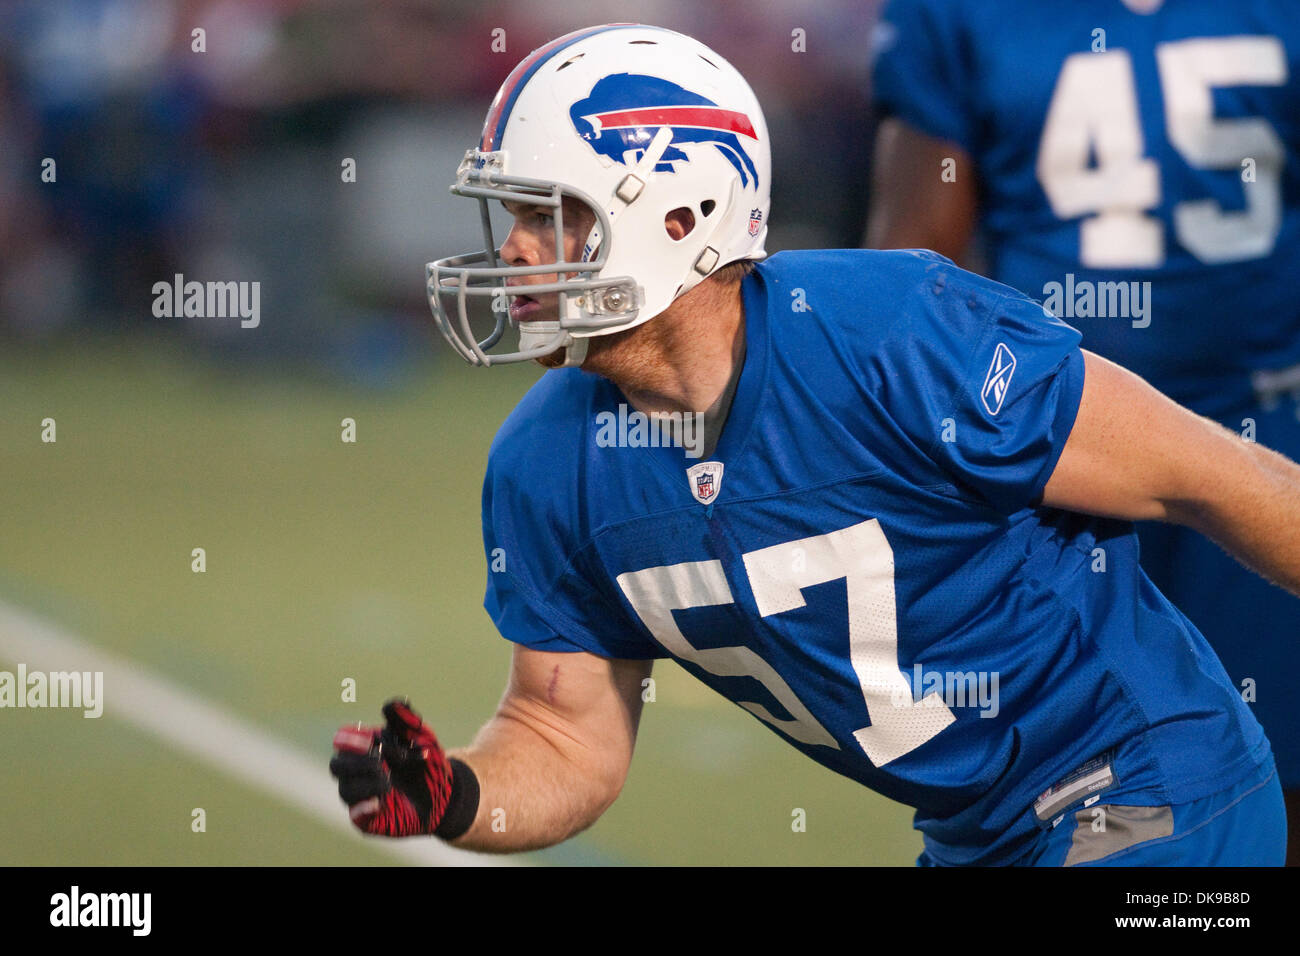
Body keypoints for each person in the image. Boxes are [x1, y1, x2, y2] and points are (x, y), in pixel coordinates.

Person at [329, 23, 1298, 866]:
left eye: (551, 212)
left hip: (1154, 780)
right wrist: (457, 793)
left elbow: (1213, 476)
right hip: (978, 835)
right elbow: (561, 735)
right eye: (513, 216)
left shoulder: (891, 334)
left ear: (679, 213)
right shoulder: (546, 464)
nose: (513, 250)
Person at [866, 0, 1300, 863]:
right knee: (1063, 780)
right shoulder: (956, 14)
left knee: (1279, 768)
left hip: (1264, 423)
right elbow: (914, 261)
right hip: (1058, 449)